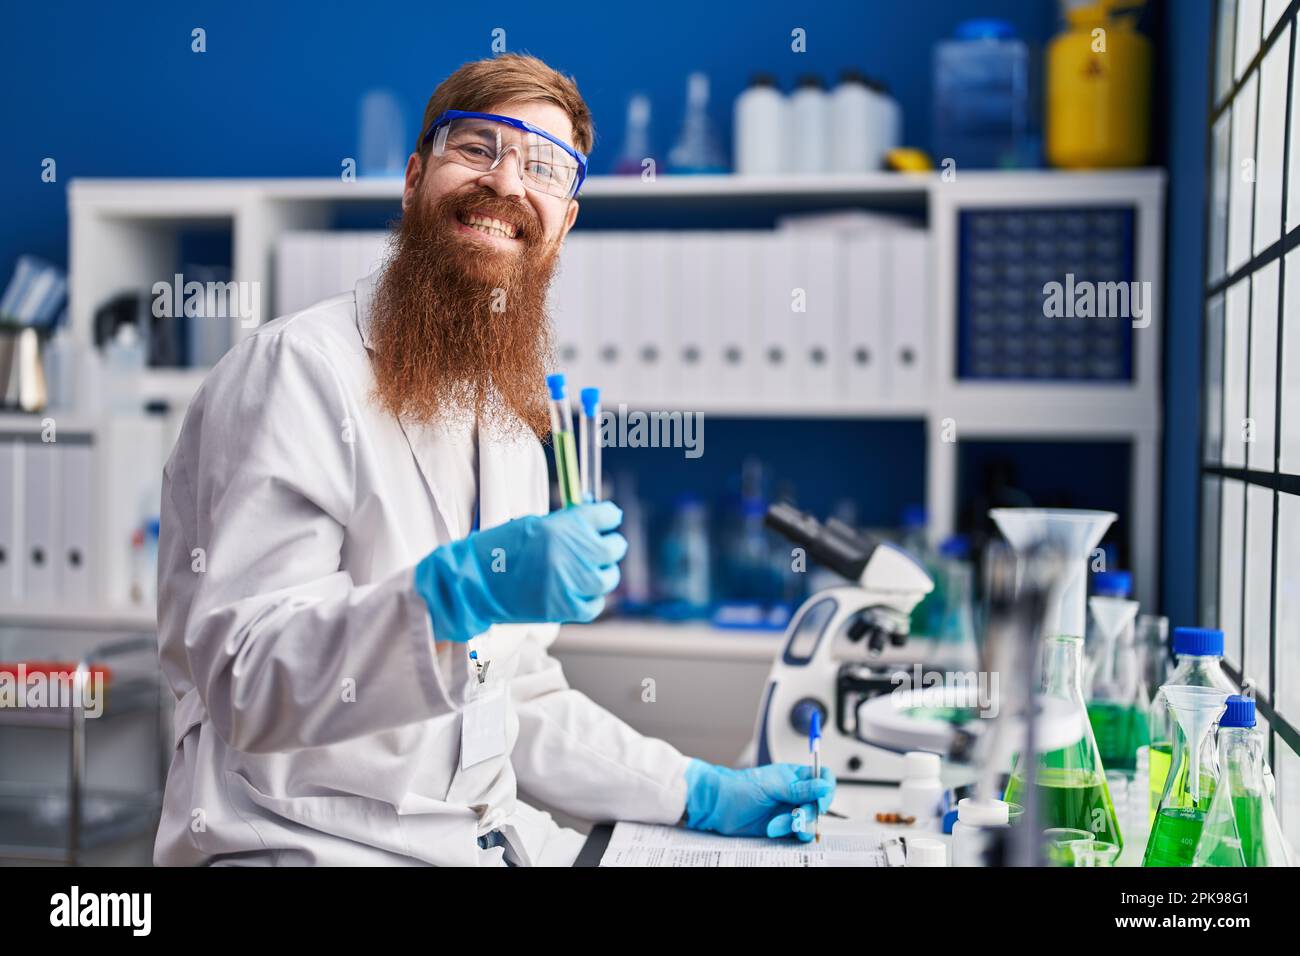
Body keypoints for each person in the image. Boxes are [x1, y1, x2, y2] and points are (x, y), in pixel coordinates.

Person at [154, 53, 833, 866]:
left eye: (542, 166)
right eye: (477, 147)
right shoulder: (297, 371)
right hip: (301, 848)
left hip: (472, 842)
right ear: (413, 180)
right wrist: (453, 596)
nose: (508, 182)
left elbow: (512, 693)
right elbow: (248, 681)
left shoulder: (509, 419)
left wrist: (696, 790)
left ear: (564, 223)